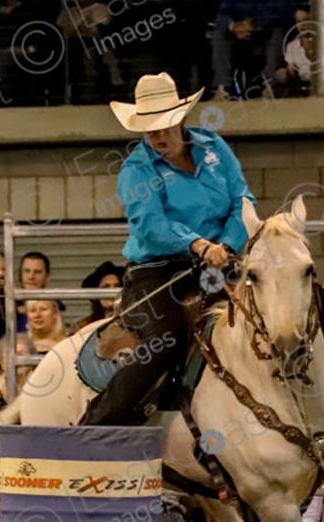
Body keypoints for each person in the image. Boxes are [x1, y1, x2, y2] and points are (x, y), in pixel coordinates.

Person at [78, 73, 249, 426]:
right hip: (155, 274)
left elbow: (242, 199)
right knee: (166, 340)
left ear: (180, 119)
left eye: (163, 126)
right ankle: (95, 424)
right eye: (149, 129)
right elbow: (151, 227)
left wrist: (227, 244)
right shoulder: (136, 170)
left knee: (284, 303)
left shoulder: (214, 147)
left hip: (219, 262)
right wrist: (198, 245)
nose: (156, 137)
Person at [211, 0, 298, 99]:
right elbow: (222, 14)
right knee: (219, 34)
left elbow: (284, 11)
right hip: (239, 33)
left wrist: (254, 25)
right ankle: (222, 87)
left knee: (277, 32)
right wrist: (233, 26)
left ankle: (269, 85)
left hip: (265, 30)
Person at [70, 261, 125, 332]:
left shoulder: (131, 322)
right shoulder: (83, 326)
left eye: (116, 286)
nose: (111, 291)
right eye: (106, 287)